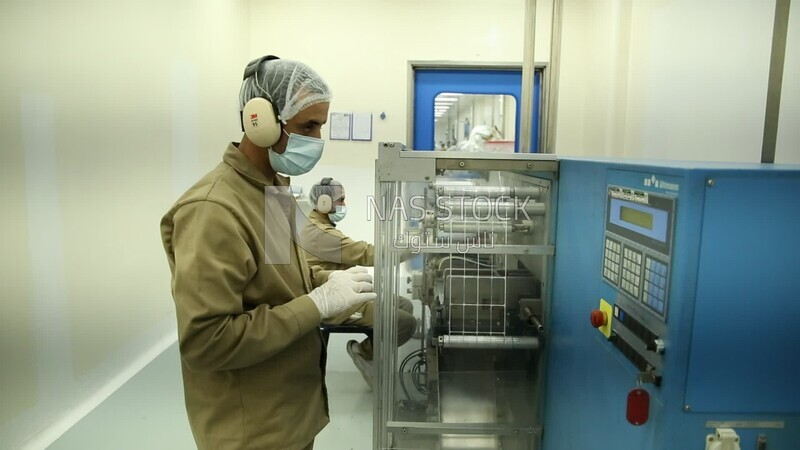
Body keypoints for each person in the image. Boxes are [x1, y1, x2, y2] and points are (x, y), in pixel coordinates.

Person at [160, 55, 376, 450]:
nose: (316, 139)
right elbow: (207, 341)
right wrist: (318, 305)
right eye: (307, 126)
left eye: (320, 126)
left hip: (290, 415)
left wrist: (328, 284)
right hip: (251, 432)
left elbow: (284, 280)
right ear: (259, 120)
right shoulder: (213, 210)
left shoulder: (272, 192)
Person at [300, 178, 417, 389]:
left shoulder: (319, 225)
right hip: (335, 301)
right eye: (341, 200)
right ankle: (364, 353)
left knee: (405, 305)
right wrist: (413, 247)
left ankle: (368, 352)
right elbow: (366, 253)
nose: (344, 205)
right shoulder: (321, 233)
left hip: (343, 292)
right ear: (325, 203)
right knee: (405, 322)